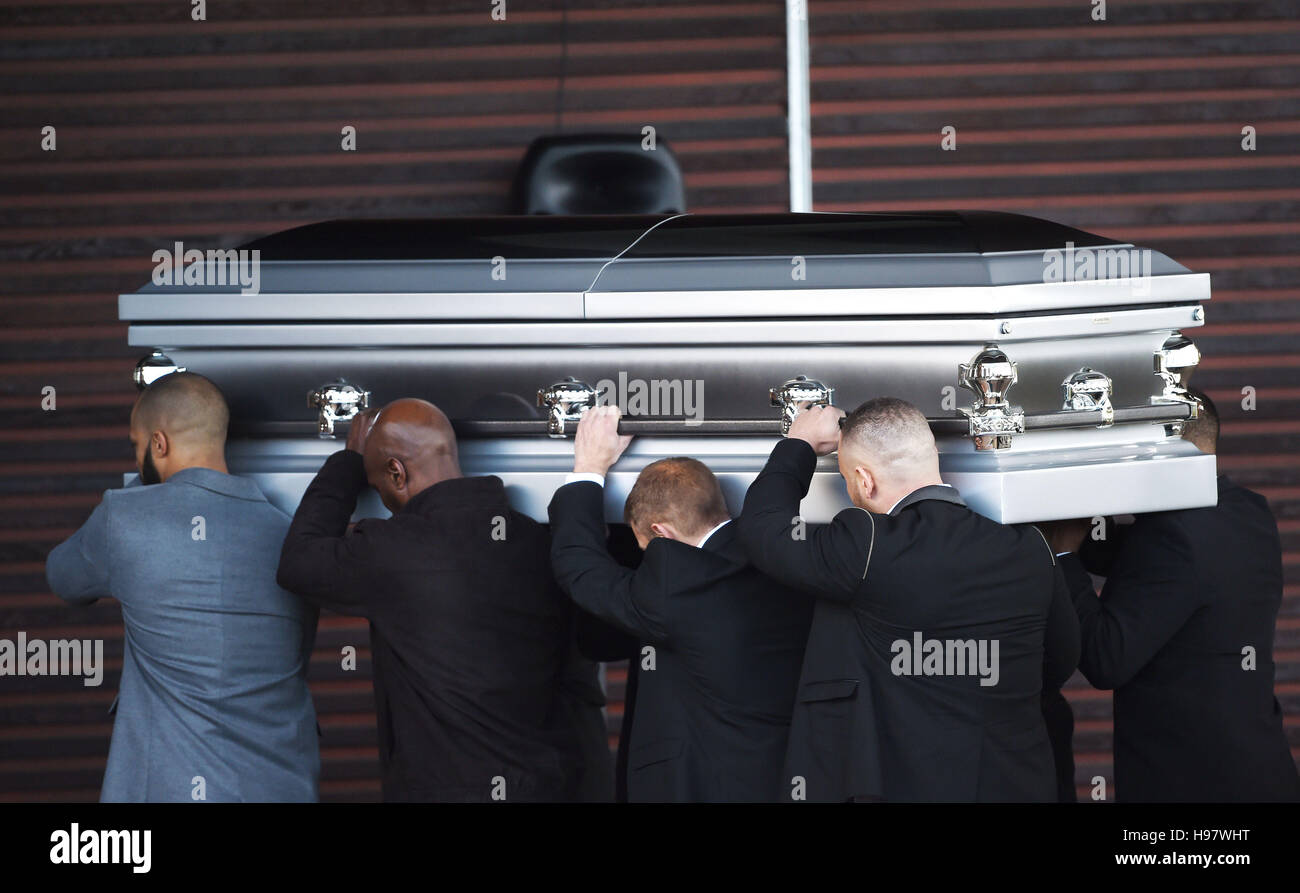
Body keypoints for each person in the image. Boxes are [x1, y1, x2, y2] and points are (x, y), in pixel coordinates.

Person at [736, 397, 1079, 802]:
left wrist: (800, 444)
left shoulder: (867, 547)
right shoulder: (1030, 549)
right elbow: (1061, 659)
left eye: (847, 480)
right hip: (1013, 781)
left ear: (864, 480)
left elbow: (764, 532)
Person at [276, 398, 582, 802]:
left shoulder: (394, 550)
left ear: (396, 472)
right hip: (545, 786)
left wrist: (348, 462)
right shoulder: (535, 542)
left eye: (378, 486)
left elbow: (299, 563)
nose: (383, 500)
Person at [45, 372, 320, 802]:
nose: (136, 460)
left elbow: (61, 577)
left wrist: (148, 486)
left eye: (137, 447)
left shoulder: (125, 519)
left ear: (159, 444)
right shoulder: (291, 539)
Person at [547, 406, 813, 802]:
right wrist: (800, 443)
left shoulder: (673, 591)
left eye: (644, 548)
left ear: (662, 533)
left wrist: (589, 466)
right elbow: (777, 488)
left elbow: (579, 566)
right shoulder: (779, 551)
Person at [1048, 389, 1300, 801]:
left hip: (1197, 785)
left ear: (1165, 445)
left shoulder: (1174, 536)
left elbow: (1106, 657)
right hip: (1255, 769)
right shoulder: (1246, 511)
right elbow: (1141, 559)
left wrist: (1060, 550)